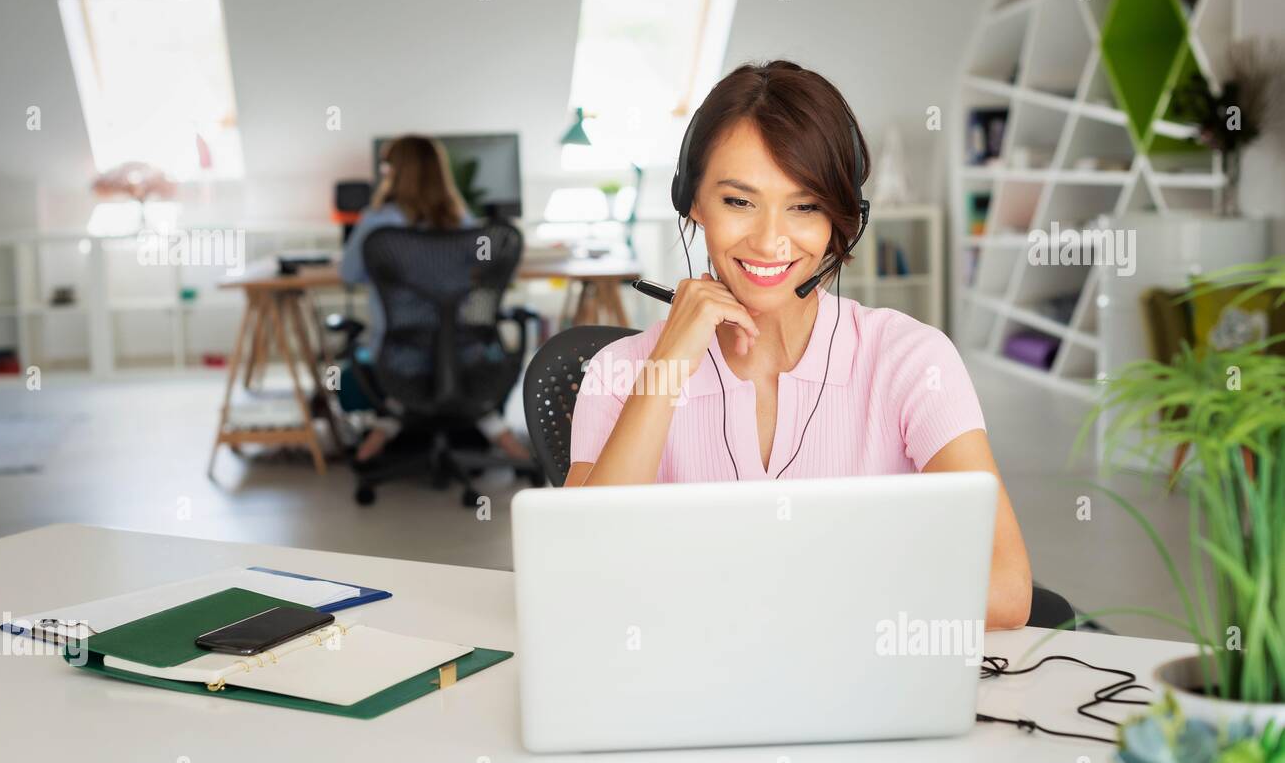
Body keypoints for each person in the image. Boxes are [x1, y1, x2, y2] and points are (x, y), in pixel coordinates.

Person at [565, 60, 1032, 629]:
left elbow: (1005, 589)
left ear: (843, 219)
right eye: (739, 201)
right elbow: (579, 579)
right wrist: (667, 366)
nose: (769, 241)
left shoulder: (911, 360)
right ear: (692, 202)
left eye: (805, 206)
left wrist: (777, 597)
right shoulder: (621, 370)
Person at [338, 134, 532, 463]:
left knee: (348, 372)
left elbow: (349, 274)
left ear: (393, 173)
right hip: (468, 354)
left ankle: (387, 425)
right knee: (461, 355)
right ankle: (494, 428)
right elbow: (496, 275)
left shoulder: (377, 224)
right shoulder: (465, 223)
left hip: (401, 358)